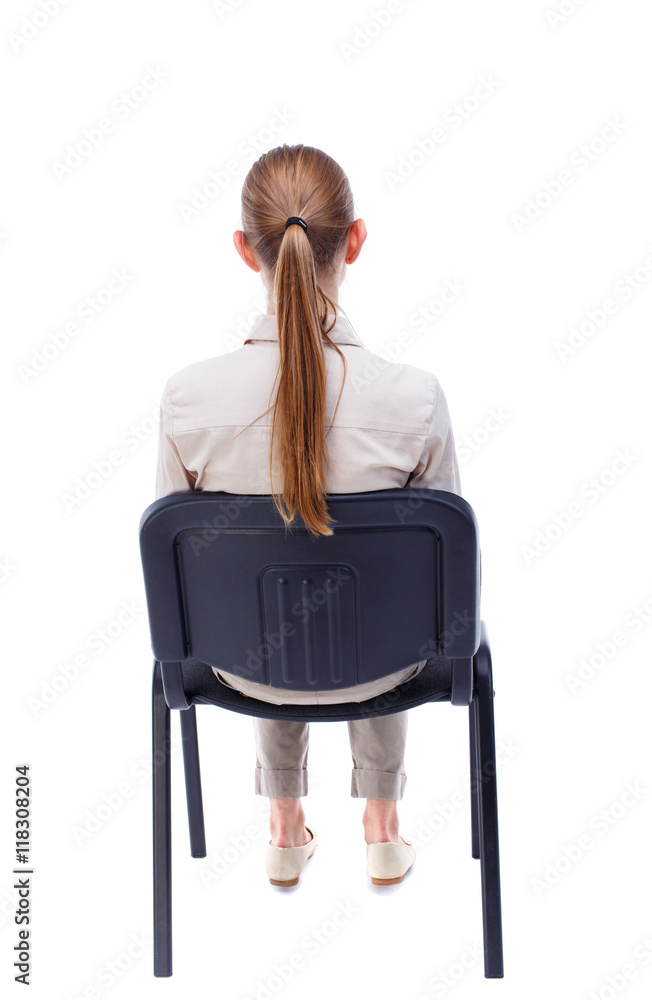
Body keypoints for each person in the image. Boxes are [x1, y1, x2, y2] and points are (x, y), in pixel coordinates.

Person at [155, 143, 462, 887]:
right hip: (387, 664)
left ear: (243, 249)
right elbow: (443, 577)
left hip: (240, 667)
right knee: (386, 604)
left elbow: (184, 570)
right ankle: (384, 827)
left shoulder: (189, 399)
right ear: (355, 239)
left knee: (265, 597)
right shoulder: (414, 400)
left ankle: (284, 826)